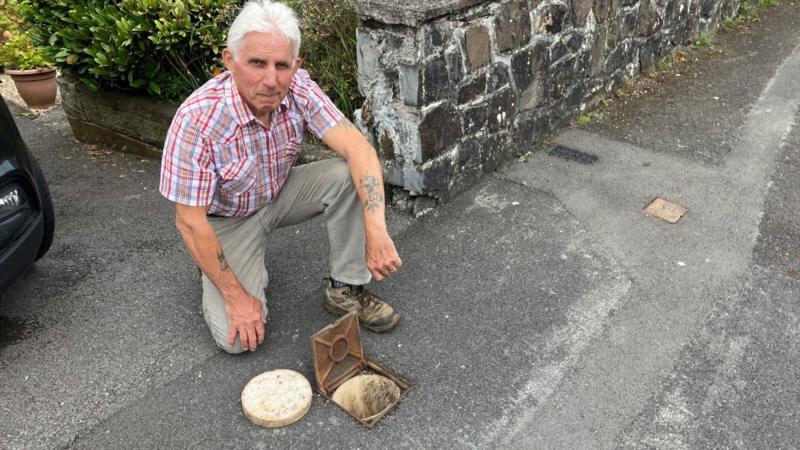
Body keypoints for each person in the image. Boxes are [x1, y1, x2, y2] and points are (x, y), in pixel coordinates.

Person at [159, 0, 402, 354]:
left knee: (345, 174)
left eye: (281, 65)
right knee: (241, 340)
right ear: (230, 61)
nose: (271, 80)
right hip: (225, 221)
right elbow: (189, 222)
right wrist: (237, 297)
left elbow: (359, 150)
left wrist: (376, 230)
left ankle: (345, 288)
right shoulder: (197, 119)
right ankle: (219, 267)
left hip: (279, 193)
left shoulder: (299, 87)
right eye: (257, 63)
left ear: (296, 66)